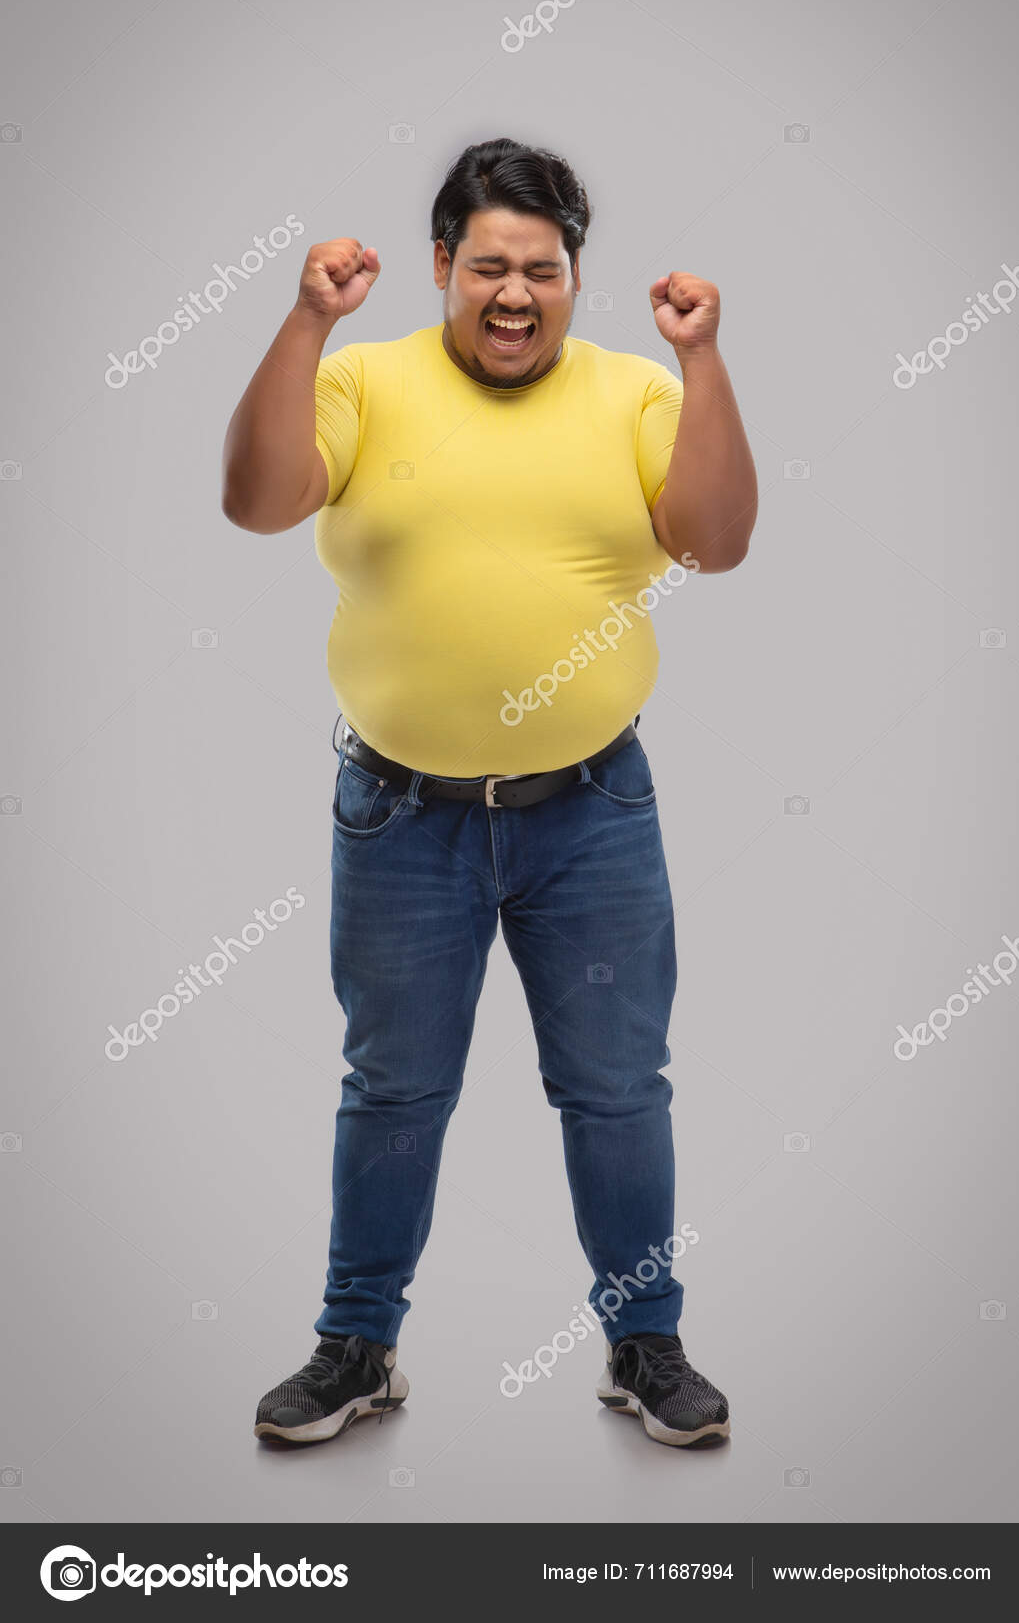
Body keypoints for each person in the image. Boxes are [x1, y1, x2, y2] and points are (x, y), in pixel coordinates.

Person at [222, 136, 757, 1449]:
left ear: (574, 276)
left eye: (543, 269)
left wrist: (701, 358)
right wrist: (303, 318)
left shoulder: (633, 389)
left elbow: (718, 542)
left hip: (591, 813)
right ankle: (358, 1347)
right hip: (401, 819)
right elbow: (255, 503)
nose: (514, 294)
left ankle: (645, 1344)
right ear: (440, 268)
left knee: (619, 1086)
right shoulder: (360, 378)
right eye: (487, 267)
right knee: (393, 1090)